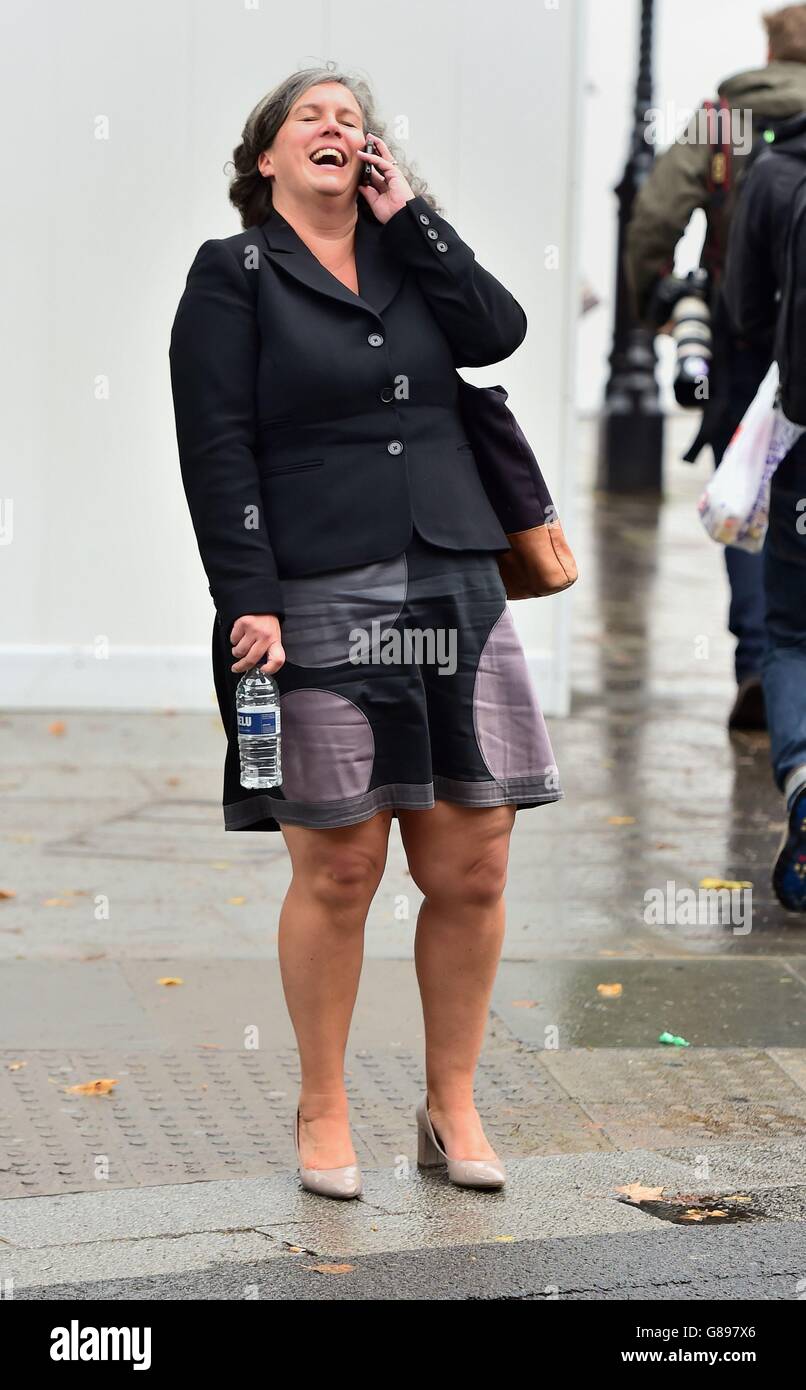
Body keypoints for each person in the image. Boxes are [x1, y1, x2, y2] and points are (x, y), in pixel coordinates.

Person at [168, 68, 562, 1198]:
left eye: (352, 119)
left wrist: (413, 218)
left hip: (450, 573)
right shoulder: (233, 273)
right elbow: (216, 445)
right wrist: (248, 594)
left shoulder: (411, 253)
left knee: (473, 858)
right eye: (312, 118)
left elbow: (498, 331)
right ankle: (323, 1105)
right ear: (267, 161)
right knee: (339, 859)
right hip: (312, 586)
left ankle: (450, 1104)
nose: (336, 128)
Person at [624, 3, 806, 730]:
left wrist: (656, 307)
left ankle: (760, 660)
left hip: (741, 333)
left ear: (769, 47)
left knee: (748, 491)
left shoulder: (724, 117)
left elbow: (654, 216)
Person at [722, 109, 806, 913]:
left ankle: (804, 770)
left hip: (799, 429)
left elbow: (743, 307)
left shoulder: (771, 161)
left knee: (790, 630)